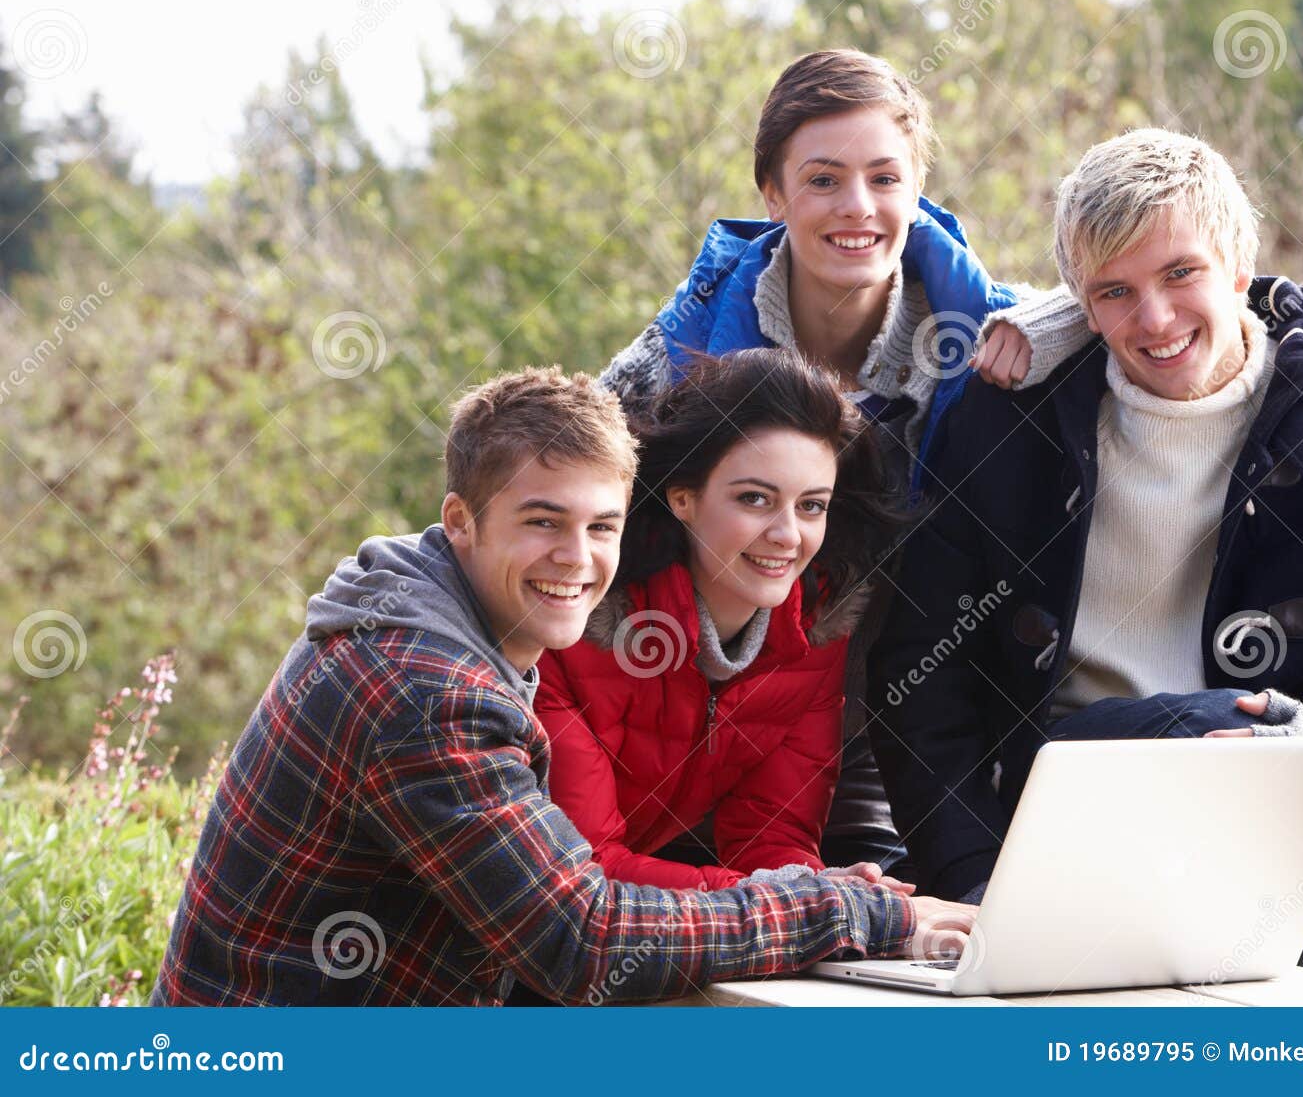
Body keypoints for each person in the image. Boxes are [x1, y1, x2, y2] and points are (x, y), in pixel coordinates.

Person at [868, 127, 1303, 1002]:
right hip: (1070, 805)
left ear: (1239, 269)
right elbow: (916, 676)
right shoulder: (1008, 421)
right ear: (1082, 308)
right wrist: (976, 883)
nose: (1155, 320)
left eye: (1180, 275)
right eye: (1116, 293)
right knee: (1219, 742)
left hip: (1266, 789)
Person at [152, 365, 972, 1006]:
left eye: (601, 526)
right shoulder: (425, 687)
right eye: (543, 521)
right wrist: (853, 909)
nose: (577, 558)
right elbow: (583, 938)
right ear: (462, 520)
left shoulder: (456, 632)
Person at [600, 47, 1091, 875]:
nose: (857, 207)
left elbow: (1156, 303)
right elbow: (549, 483)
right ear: (773, 194)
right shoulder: (681, 354)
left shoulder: (979, 336)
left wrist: (1053, 325)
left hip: (884, 726)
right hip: (690, 725)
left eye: (885, 178)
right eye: (823, 179)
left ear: (916, 190)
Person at [539, 349, 906, 891]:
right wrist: (816, 905)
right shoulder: (572, 622)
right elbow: (588, 869)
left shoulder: (815, 630)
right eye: (755, 499)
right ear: (683, 497)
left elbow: (772, 838)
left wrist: (835, 888)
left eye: (811, 506)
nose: (788, 535)